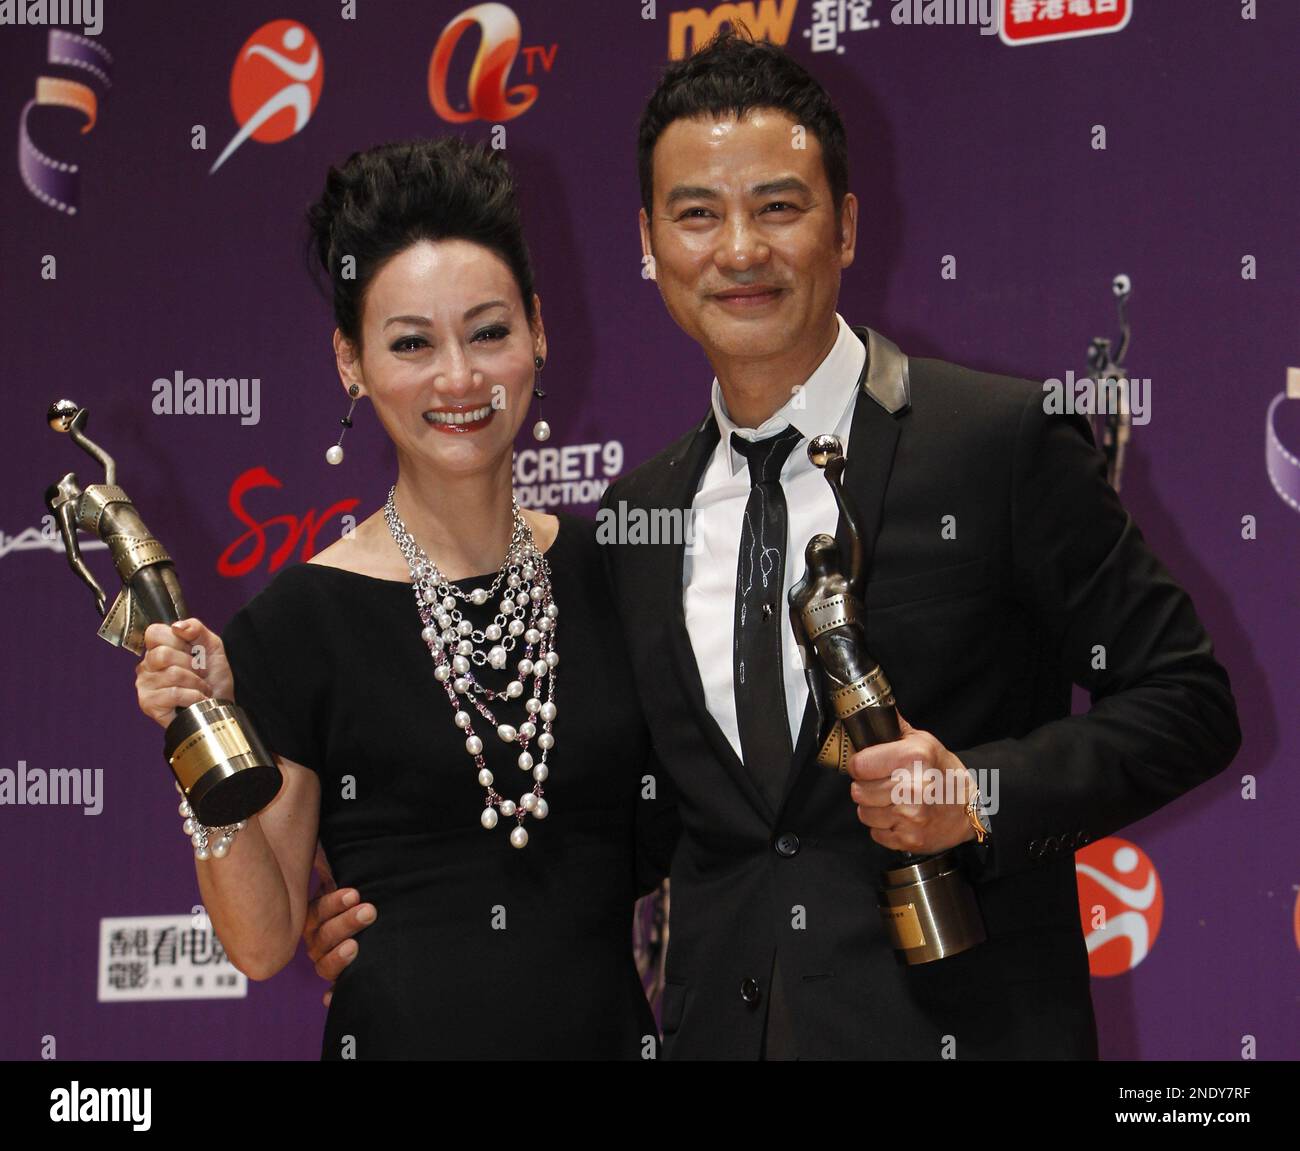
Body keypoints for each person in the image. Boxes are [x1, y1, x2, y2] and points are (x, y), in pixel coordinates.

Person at [307, 28, 1242, 1060]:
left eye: (777, 207)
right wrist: (405, 915)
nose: (739, 250)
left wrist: (975, 794)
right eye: (697, 215)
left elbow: (1187, 699)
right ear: (649, 244)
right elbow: (635, 822)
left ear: (843, 226)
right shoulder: (633, 519)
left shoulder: (994, 444)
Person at [135, 136, 675, 1060]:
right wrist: (199, 731)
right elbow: (262, 943)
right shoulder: (300, 622)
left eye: (490, 330)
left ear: (540, 331)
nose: (458, 378)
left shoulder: (618, 574)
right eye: (412, 343)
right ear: (351, 361)